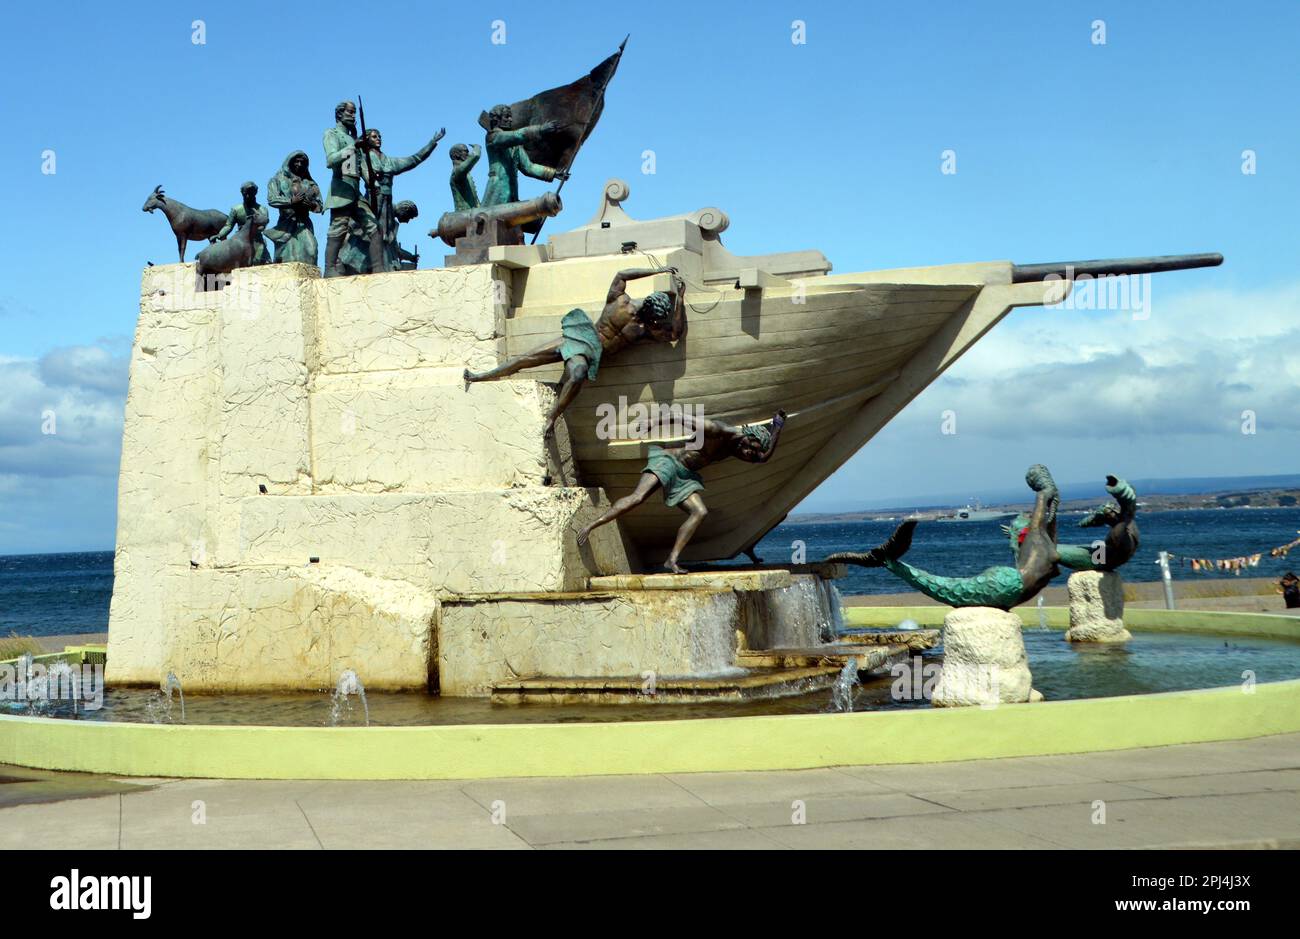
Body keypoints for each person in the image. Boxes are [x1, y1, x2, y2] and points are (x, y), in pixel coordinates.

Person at [465, 266, 687, 438]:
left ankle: (552, 417)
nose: (655, 324)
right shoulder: (619, 301)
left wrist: (681, 299)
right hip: (581, 337)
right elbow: (622, 274)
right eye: (653, 319)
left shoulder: (643, 330)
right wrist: (657, 271)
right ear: (647, 307)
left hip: (591, 355)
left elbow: (675, 333)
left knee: (579, 372)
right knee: (527, 358)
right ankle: (482, 376)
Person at [577, 411, 787, 573]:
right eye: (750, 448)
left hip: (685, 474)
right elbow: (678, 416)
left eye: (751, 454)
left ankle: (671, 560)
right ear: (747, 436)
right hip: (668, 460)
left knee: (700, 512)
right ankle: (591, 525)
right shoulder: (718, 430)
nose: (748, 454)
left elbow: (764, 456)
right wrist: (650, 423)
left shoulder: (744, 447)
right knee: (638, 497)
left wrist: (777, 425)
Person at [357, 127, 443, 271]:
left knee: (387, 237)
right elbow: (364, 173)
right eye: (374, 136)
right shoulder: (364, 157)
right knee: (370, 233)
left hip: (387, 201)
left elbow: (414, 159)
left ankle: (385, 264)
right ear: (367, 140)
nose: (378, 138)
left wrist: (432, 143)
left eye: (379, 136)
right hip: (373, 200)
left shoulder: (389, 161)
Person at [322, 100, 384, 277]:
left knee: (374, 227)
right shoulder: (331, 134)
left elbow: (362, 164)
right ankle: (330, 269)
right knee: (338, 229)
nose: (353, 116)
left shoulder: (352, 138)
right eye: (350, 112)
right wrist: (353, 146)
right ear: (340, 114)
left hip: (355, 191)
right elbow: (331, 160)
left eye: (354, 112)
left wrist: (373, 182)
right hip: (341, 188)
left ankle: (378, 268)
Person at [481, 104, 568, 206]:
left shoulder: (515, 146)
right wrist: (540, 129)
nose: (510, 119)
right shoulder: (493, 137)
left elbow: (529, 167)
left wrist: (553, 173)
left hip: (512, 196)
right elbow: (517, 135)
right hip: (497, 193)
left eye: (510, 116)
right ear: (496, 119)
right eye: (506, 116)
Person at [265, 151, 323, 265]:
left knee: (312, 250)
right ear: (290, 162)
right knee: (286, 255)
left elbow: (320, 206)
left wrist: (311, 205)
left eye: (302, 162)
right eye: (296, 161)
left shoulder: (310, 183)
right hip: (286, 223)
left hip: (304, 223)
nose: (299, 164)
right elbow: (272, 199)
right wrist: (291, 201)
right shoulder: (277, 179)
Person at [211, 182, 270, 265]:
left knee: (263, 261)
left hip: (257, 241)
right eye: (245, 194)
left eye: (250, 193)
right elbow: (228, 226)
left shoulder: (263, 209)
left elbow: (263, 226)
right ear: (242, 193)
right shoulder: (236, 209)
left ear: (255, 193)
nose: (248, 196)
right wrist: (219, 235)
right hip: (239, 242)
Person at [449, 143, 481, 211]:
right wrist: (477, 147)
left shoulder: (464, 172)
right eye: (466, 151)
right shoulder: (457, 172)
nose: (468, 154)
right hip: (465, 213)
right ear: (456, 154)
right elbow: (475, 155)